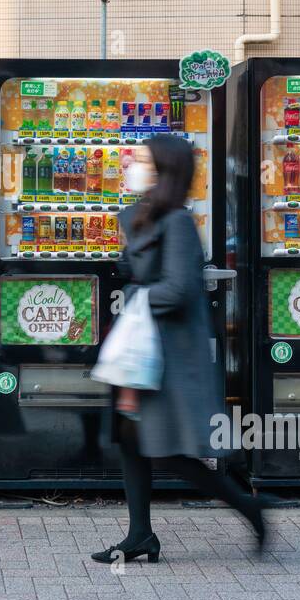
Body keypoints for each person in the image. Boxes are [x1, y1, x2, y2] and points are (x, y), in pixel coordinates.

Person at [91, 135, 266, 564]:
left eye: (142, 159)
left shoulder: (179, 223)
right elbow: (135, 268)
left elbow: (179, 289)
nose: (132, 163)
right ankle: (139, 535)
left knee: (167, 449)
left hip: (163, 353)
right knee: (131, 441)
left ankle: (248, 507)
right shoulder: (142, 214)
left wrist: (137, 299)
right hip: (138, 350)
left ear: (164, 169)